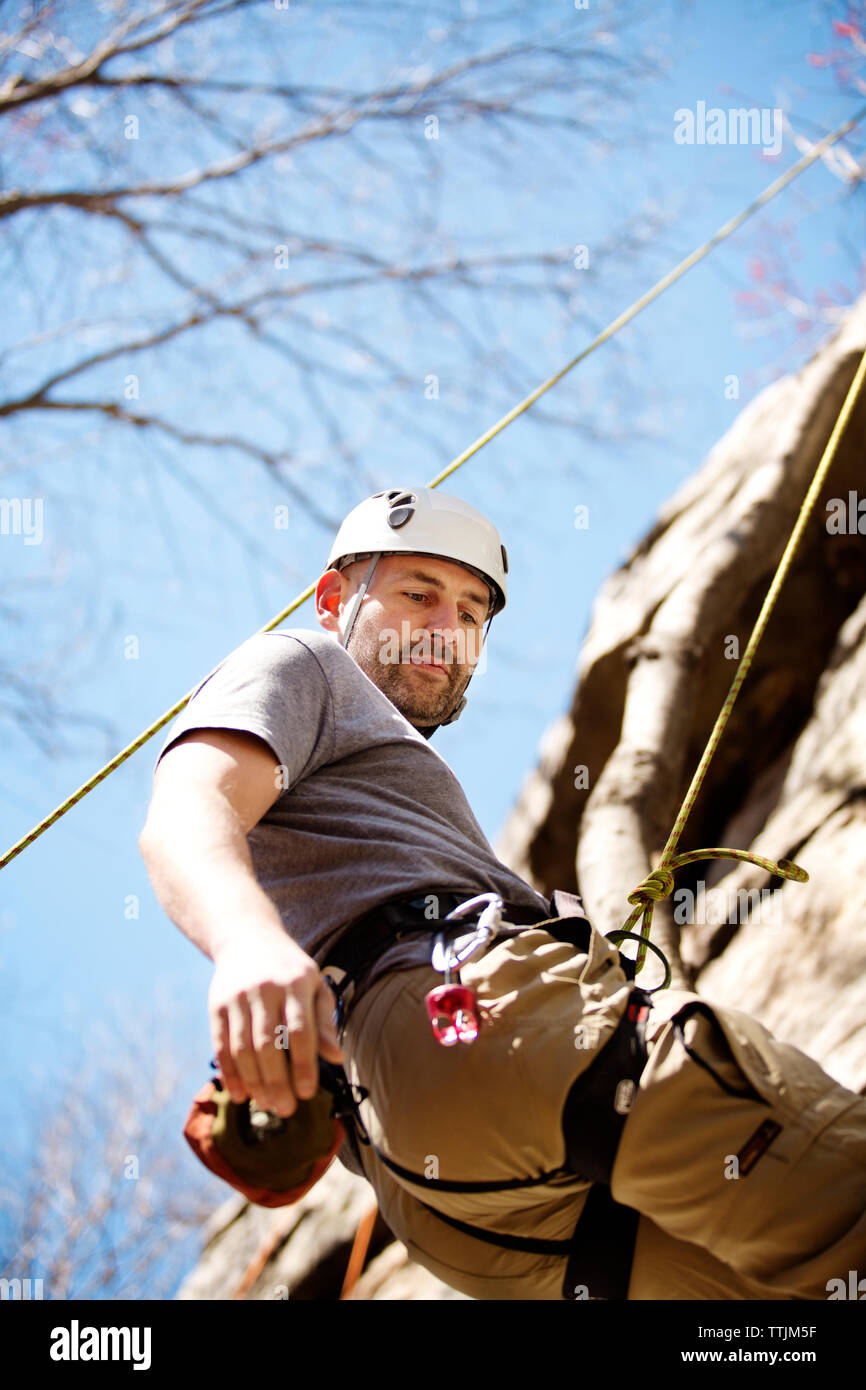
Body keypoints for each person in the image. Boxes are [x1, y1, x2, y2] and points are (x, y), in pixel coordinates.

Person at [139, 485, 866, 1301]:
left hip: (450, 1197)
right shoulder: (303, 662)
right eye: (418, 593)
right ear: (334, 598)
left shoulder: (387, 784)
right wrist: (247, 946)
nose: (445, 628)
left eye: (471, 613)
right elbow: (188, 808)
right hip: (477, 1027)